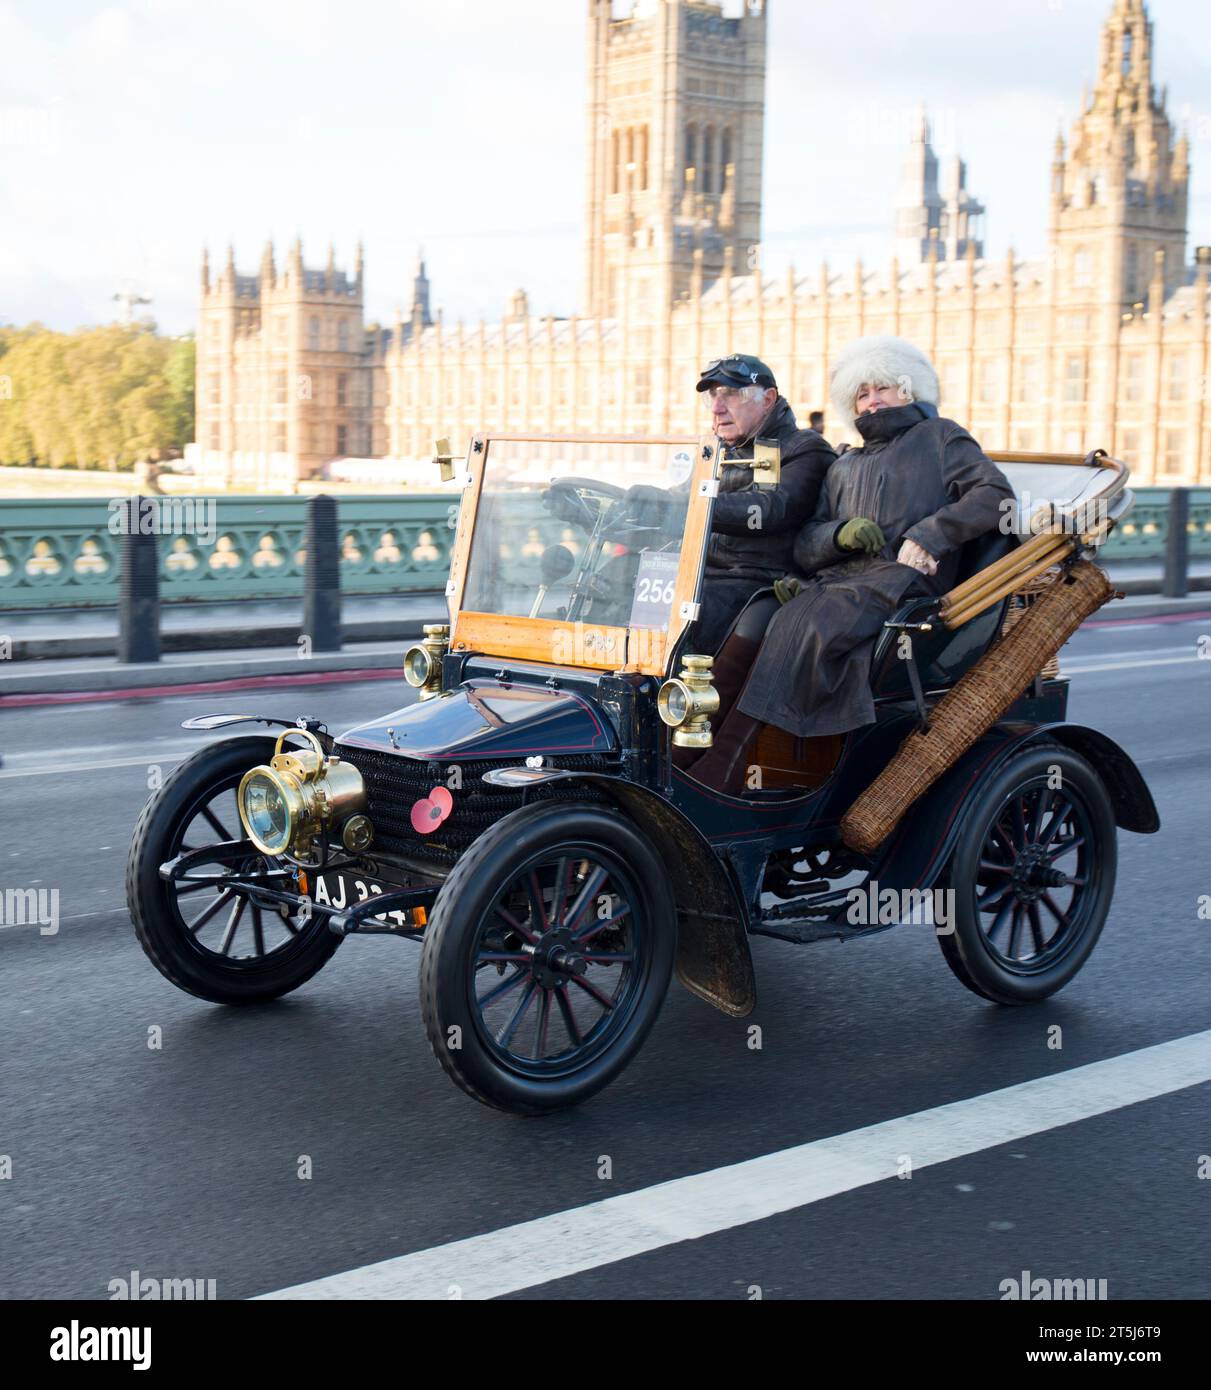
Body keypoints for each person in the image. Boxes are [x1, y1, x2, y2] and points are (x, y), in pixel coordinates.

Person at [688, 335, 1015, 796]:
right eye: (861, 393)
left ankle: (724, 766)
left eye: (882, 388)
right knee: (765, 617)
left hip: (902, 583)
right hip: (840, 582)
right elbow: (806, 542)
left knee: (801, 624)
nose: (872, 400)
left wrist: (929, 534)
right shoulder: (846, 463)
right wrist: (836, 538)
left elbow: (994, 496)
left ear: (910, 390)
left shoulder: (941, 437)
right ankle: (701, 749)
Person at [690, 354, 835, 656]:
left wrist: (694, 506)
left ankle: (687, 702)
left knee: (694, 615)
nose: (717, 407)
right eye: (713, 396)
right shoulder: (716, 452)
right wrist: (628, 503)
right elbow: (677, 497)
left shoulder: (804, 448)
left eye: (731, 394)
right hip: (698, 573)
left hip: (758, 580)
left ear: (768, 399)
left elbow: (771, 509)